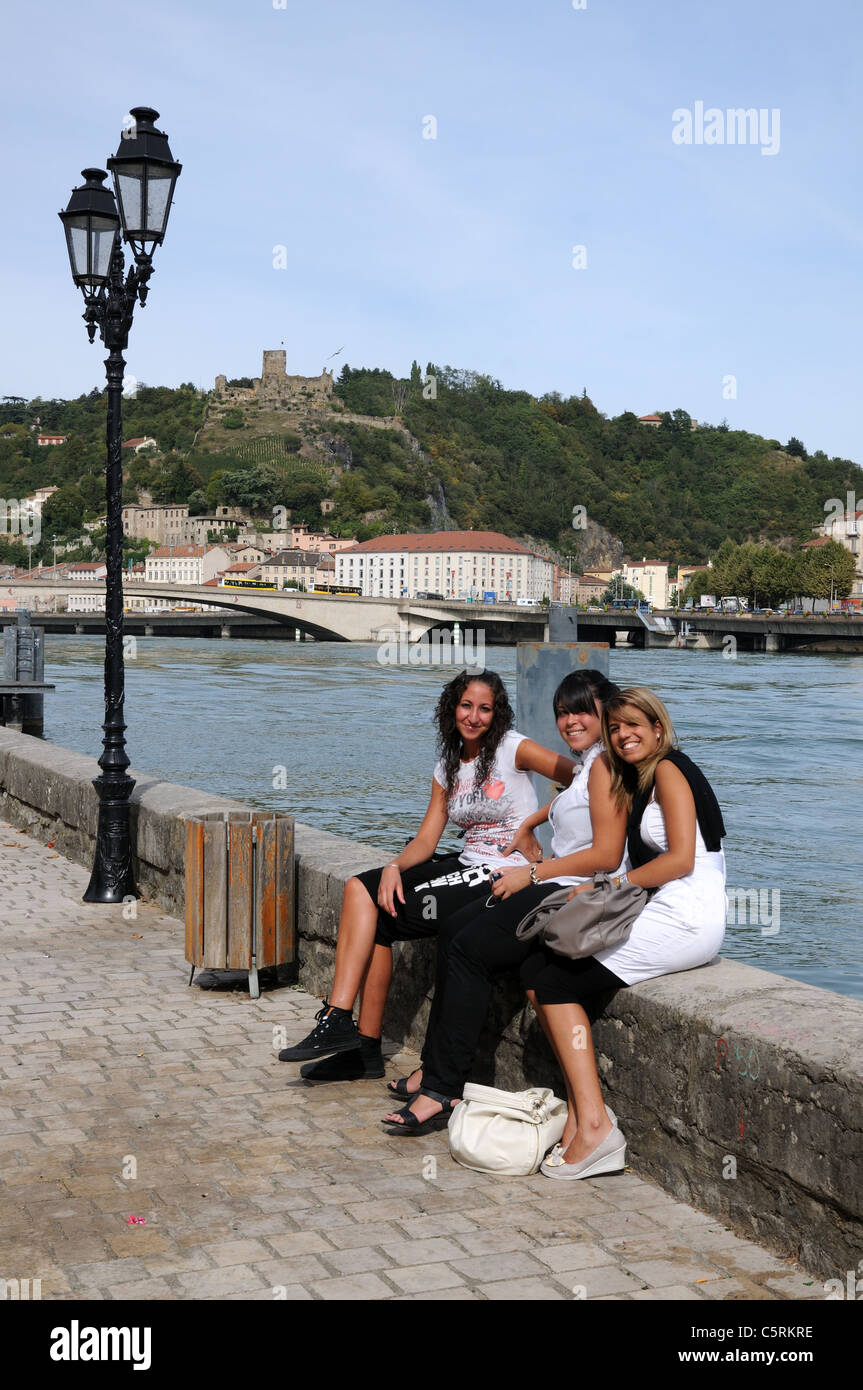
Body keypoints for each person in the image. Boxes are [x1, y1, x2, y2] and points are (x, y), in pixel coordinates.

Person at [277, 668, 577, 1081]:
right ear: (452, 709)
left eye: (485, 709)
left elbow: (579, 776)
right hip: (466, 861)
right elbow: (426, 839)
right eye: (466, 706)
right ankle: (350, 1033)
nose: (474, 717)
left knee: (383, 916)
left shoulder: (513, 748)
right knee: (363, 891)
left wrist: (537, 822)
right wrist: (393, 867)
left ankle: (344, 1028)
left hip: (502, 870)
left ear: (498, 714)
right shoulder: (447, 767)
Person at [383, 668, 628, 1135]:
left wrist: (529, 874)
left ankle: (440, 1088)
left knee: (468, 947)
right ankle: (435, 1072)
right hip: (558, 878)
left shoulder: (603, 765)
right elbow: (573, 805)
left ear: (606, 712)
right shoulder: (590, 763)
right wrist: (531, 822)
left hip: (571, 890)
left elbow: (606, 854)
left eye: (582, 710)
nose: (570, 720)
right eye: (563, 712)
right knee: (455, 928)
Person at [522, 685, 727, 1180]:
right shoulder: (648, 776)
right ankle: (580, 1113)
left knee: (552, 981)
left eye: (633, 725)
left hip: (688, 917)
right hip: (671, 907)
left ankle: (596, 1129)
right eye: (614, 729)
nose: (622, 735)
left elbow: (680, 859)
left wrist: (608, 886)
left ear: (658, 727)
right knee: (538, 970)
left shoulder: (672, 771)